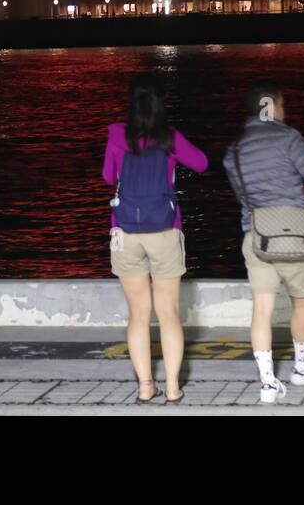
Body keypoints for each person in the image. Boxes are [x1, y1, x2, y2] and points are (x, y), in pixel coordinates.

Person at [224, 80, 304, 403]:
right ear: (270, 106)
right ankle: (302, 368)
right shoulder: (289, 138)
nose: (284, 111)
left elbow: (242, 196)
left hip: (256, 236)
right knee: (302, 302)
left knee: (262, 309)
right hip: (296, 237)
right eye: (282, 104)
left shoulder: (233, 151)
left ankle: (268, 384)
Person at [103, 74, 208, 403]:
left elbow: (108, 176)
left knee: (137, 315)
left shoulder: (117, 134)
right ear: (161, 103)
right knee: (169, 314)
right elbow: (202, 163)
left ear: (130, 103)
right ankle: (174, 387)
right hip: (164, 230)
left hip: (125, 231)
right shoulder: (169, 137)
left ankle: (146, 387)